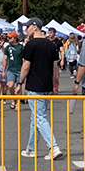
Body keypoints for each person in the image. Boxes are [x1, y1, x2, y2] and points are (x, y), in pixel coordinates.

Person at [19, 17, 62, 161]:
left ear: (34, 27)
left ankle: (53, 146)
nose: (26, 30)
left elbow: (26, 66)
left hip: (34, 86)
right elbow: (55, 67)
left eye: (27, 27)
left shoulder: (31, 45)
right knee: (36, 118)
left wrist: (20, 83)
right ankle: (31, 148)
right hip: (47, 86)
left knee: (39, 118)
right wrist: (55, 84)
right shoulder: (51, 45)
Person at [3, 32, 23, 110]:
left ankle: (18, 103)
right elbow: (5, 59)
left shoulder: (21, 47)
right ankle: (13, 99)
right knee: (10, 85)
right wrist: (3, 70)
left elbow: (24, 59)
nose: (8, 39)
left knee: (19, 87)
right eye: (8, 38)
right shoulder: (8, 47)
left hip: (19, 69)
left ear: (15, 38)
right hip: (11, 69)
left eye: (10, 38)